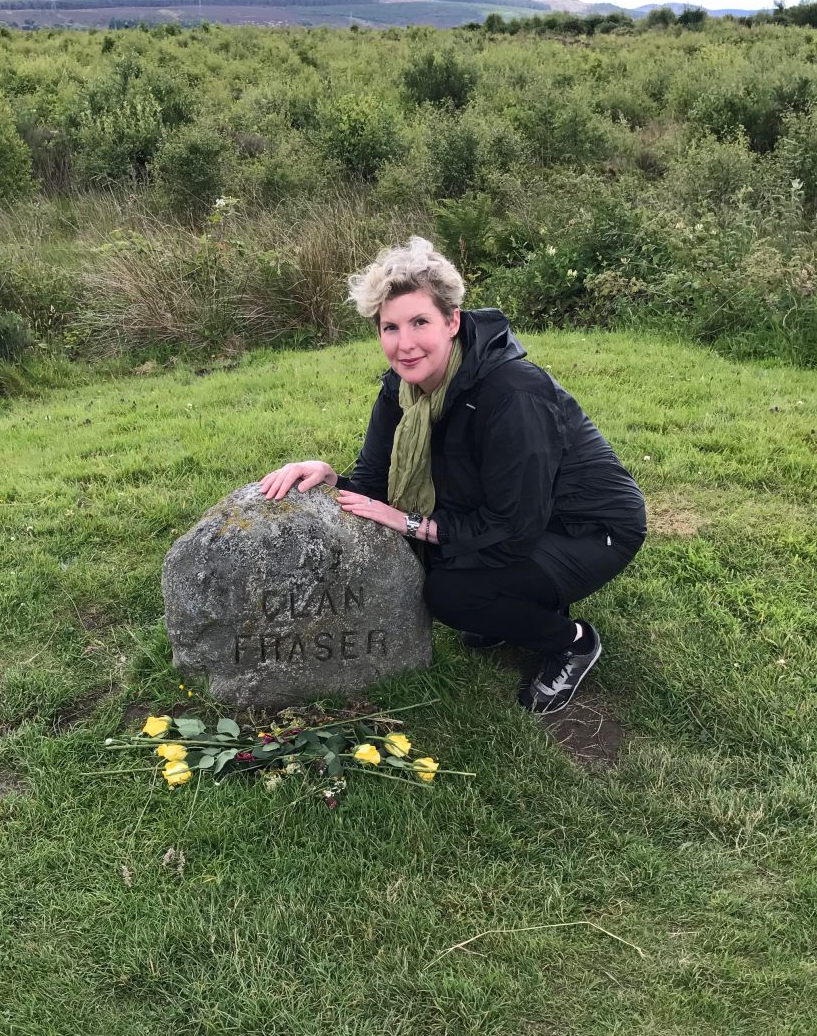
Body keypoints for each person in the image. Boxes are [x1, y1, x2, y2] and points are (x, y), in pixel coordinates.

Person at [259, 237, 646, 714]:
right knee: (442, 562)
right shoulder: (401, 391)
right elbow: (373, 483)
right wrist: (326, 475)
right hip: (513, 513)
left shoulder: (512, 394)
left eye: (420, 321)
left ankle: (571, 640)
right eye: (390, 327)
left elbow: (514, 527)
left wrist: (413, 524)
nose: (405, 344)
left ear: (452, 321)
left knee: (450, 592)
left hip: (587, 527)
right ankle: (523, 604)